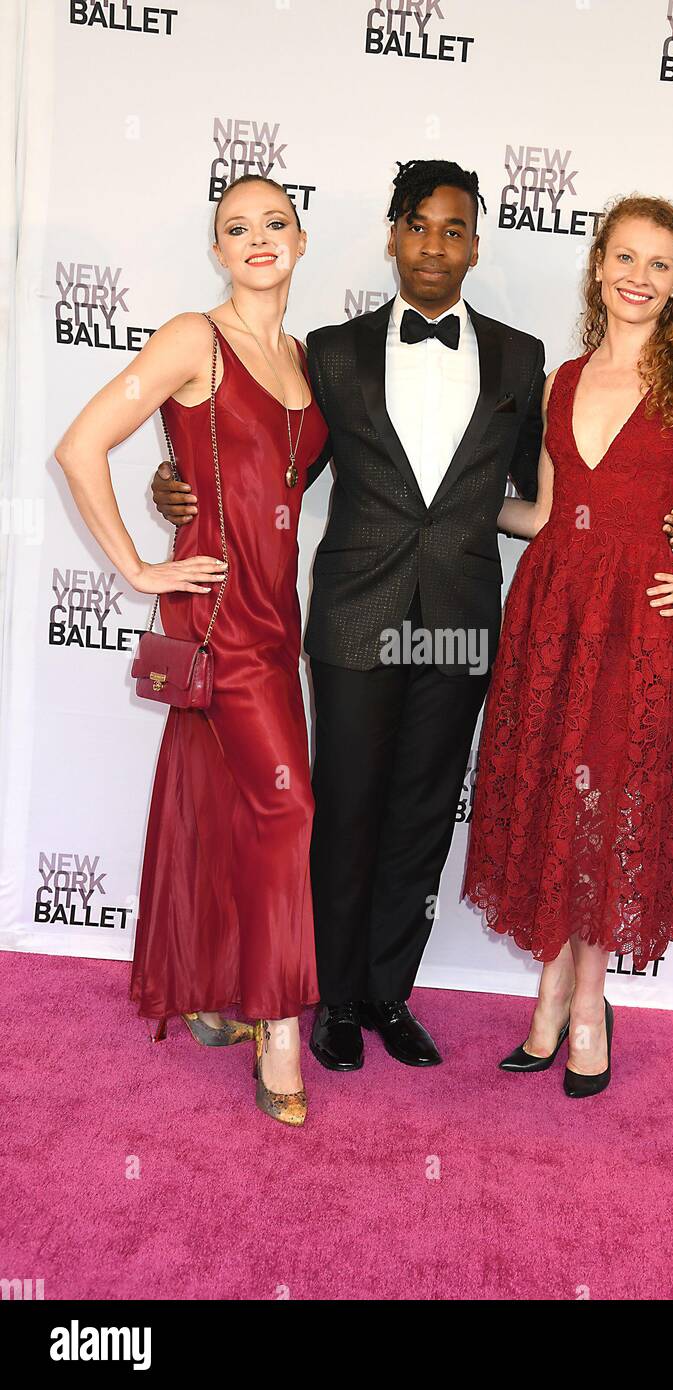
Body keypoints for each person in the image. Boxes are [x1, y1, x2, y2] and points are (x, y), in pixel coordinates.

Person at [152, 160, 673, 1074]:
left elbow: (558, 486)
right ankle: (324, 997)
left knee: (417, 814)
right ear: (394, 237)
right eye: (419, 226)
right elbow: (270, 462)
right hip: (357, 616)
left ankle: (386, 997)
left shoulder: (526, 362)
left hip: (458, 617)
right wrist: (181, 486)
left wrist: (658, 511)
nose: (435, 244)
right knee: (345, 808)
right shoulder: (329, 351)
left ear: (476, 245)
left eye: (454, 229)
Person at [462, 194, 673, 1097]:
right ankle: (550, 992)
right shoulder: (560, 381)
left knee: (606, 812)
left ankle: (580, 1008)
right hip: (550, 612)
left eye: (658, 265)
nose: (636, 278)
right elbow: (541, 510)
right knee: (549, 802)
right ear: (597, 266)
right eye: (623, 258)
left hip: (633, 629)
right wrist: (457, 505)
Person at [55, 174, 329, 1125]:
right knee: (290, 814)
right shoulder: (191, 338)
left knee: (237, 810)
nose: (257, 238)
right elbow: (81, 444)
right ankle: (279, 1030)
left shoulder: (300, 357)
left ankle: (220, 993)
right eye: (235, 228)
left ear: (301, 239)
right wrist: (137, 565)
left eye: (274, 223)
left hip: (278, 624)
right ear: (217, 252)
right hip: (216, 624)